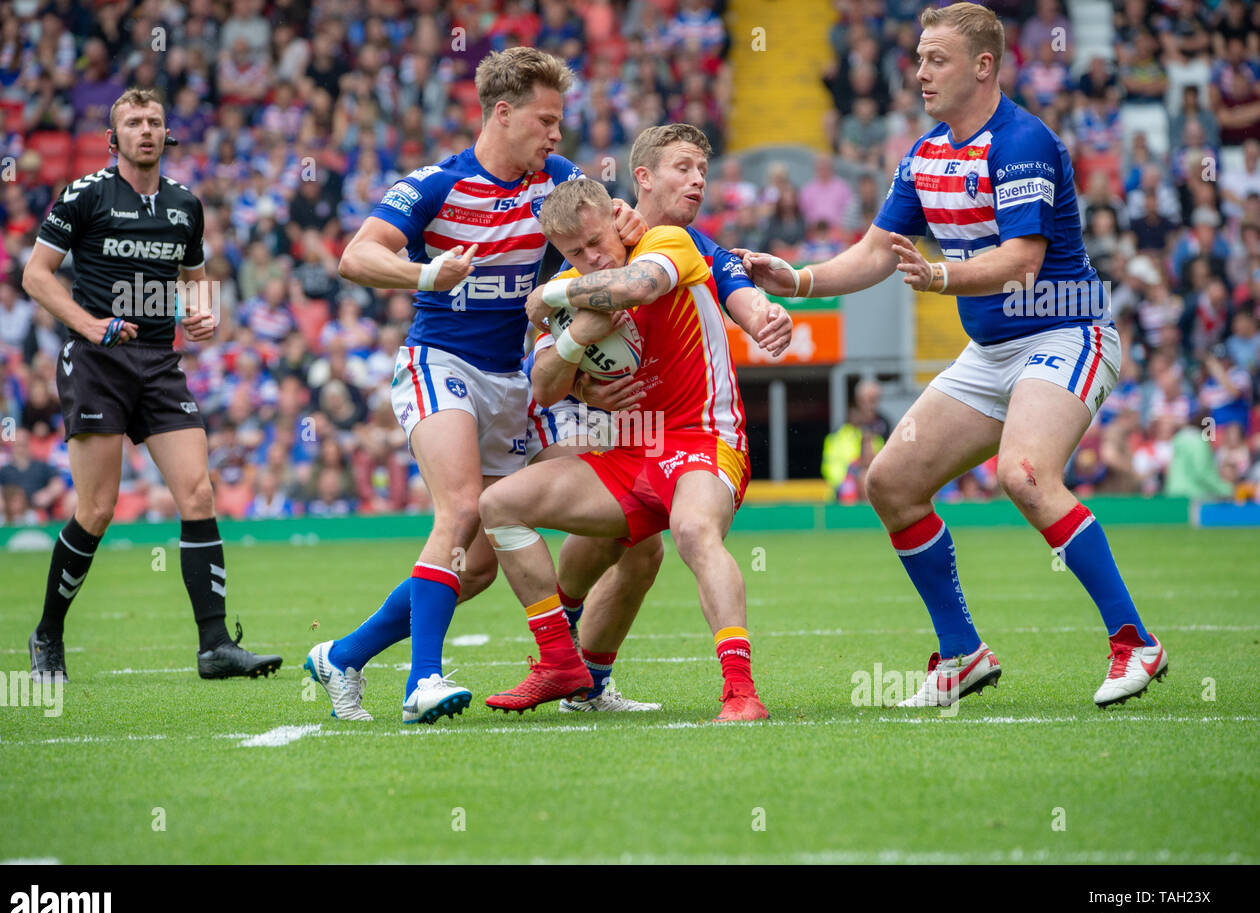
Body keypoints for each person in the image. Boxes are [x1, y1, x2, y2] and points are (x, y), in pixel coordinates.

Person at [739, 2, 1166, 709]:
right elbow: (878, 251)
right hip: (992, 349)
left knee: (1025, 474)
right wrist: (803, 279)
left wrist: (940, 275)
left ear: (984, 65)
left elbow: (1024, 260)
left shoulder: (1023, 141)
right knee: (890, 481)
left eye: (935, 59)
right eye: (918, 57)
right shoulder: (926, 154)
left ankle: (1134, 642)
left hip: (1066, 333)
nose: (919, 71)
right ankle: (963, 651)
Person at [306, 48, 645, 723]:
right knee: (459, 510)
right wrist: (426, 275)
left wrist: (629, 226)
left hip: (514, 383)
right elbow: (357, 255)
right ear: (502, 113)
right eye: (546, 121)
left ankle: (344, 654)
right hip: (439, 364)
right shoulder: (436, 184)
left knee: (487, 564)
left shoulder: (557, 180)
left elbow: (604, 232)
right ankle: (422, 682)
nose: (556, 134)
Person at [478, 177, 770, 722]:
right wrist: (574, 338)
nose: (590, 258)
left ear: (617, 217)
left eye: (596, 242)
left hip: (704, 435)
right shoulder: (573, 286)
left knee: (691, 531)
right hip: (630, 449)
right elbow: (544, 386)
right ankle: (562, 664)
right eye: (573, 253)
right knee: (499, 505)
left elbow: (635, 288)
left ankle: (740, 692)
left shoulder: (666, 242)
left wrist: (550, 296)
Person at [22, 87, 282, 682]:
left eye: (155, 122)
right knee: (97, 509)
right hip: (95, 362)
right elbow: (36, 276)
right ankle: (48, 634)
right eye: (133, 122)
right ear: (114, 139)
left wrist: (204, 313)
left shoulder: (186, 204)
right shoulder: (85, 195)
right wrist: (92, 326)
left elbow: (197, 279)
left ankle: (215, 646)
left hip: (159, 364)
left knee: (198, 494)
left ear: (168, 136)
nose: (146, 130)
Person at [537, 122, 792, 713]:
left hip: (692, 434)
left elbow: (737, 291)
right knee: (592, 546)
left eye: (703, 169)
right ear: (644, 177)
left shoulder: (690, 244)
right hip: (619, 434)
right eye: (684, 167)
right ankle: (573, 668)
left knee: (671, 541)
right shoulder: (594, 235)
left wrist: (764, 316)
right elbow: (550, 373)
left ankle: (724, 690)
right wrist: (583, 385)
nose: (698, 179)